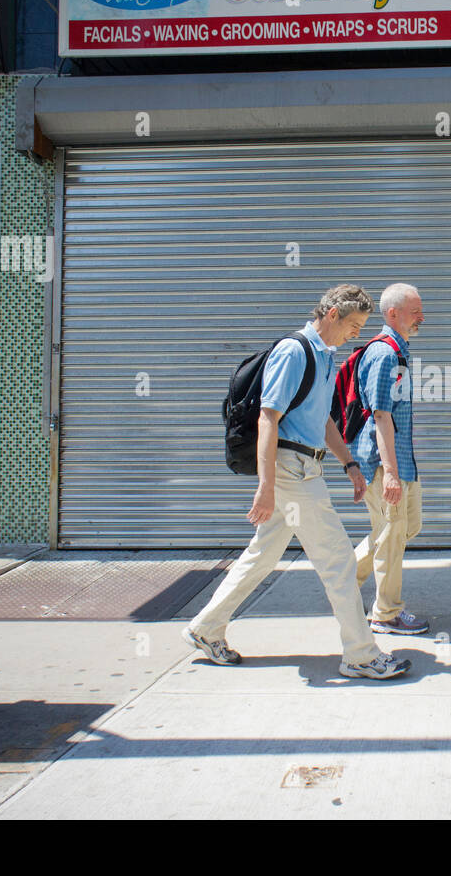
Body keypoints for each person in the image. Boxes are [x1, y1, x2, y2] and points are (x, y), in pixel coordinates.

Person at [183, 284, 411, 680]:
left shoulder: (326, 356)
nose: (356, 333)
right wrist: (266, 486)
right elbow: (267, 419)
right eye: (354, 324)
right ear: (333, 314)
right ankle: (360, 654)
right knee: (338, 561)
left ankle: (205, 628)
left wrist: (350, 465)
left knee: (262, 556)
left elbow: (322, 420)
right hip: (292, 470)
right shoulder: (295, 352)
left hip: (307, 467)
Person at [352, 283, 429, 635]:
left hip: (401, 461)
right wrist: (391, 475)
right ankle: (386, 614)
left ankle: (342, 579)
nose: (421, 317)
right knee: (392, 534)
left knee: (403, 529)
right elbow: (380, 416)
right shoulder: (385, 355)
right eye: (415, 311)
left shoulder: (400, 352)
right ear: (393, 313)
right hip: (386, 464)